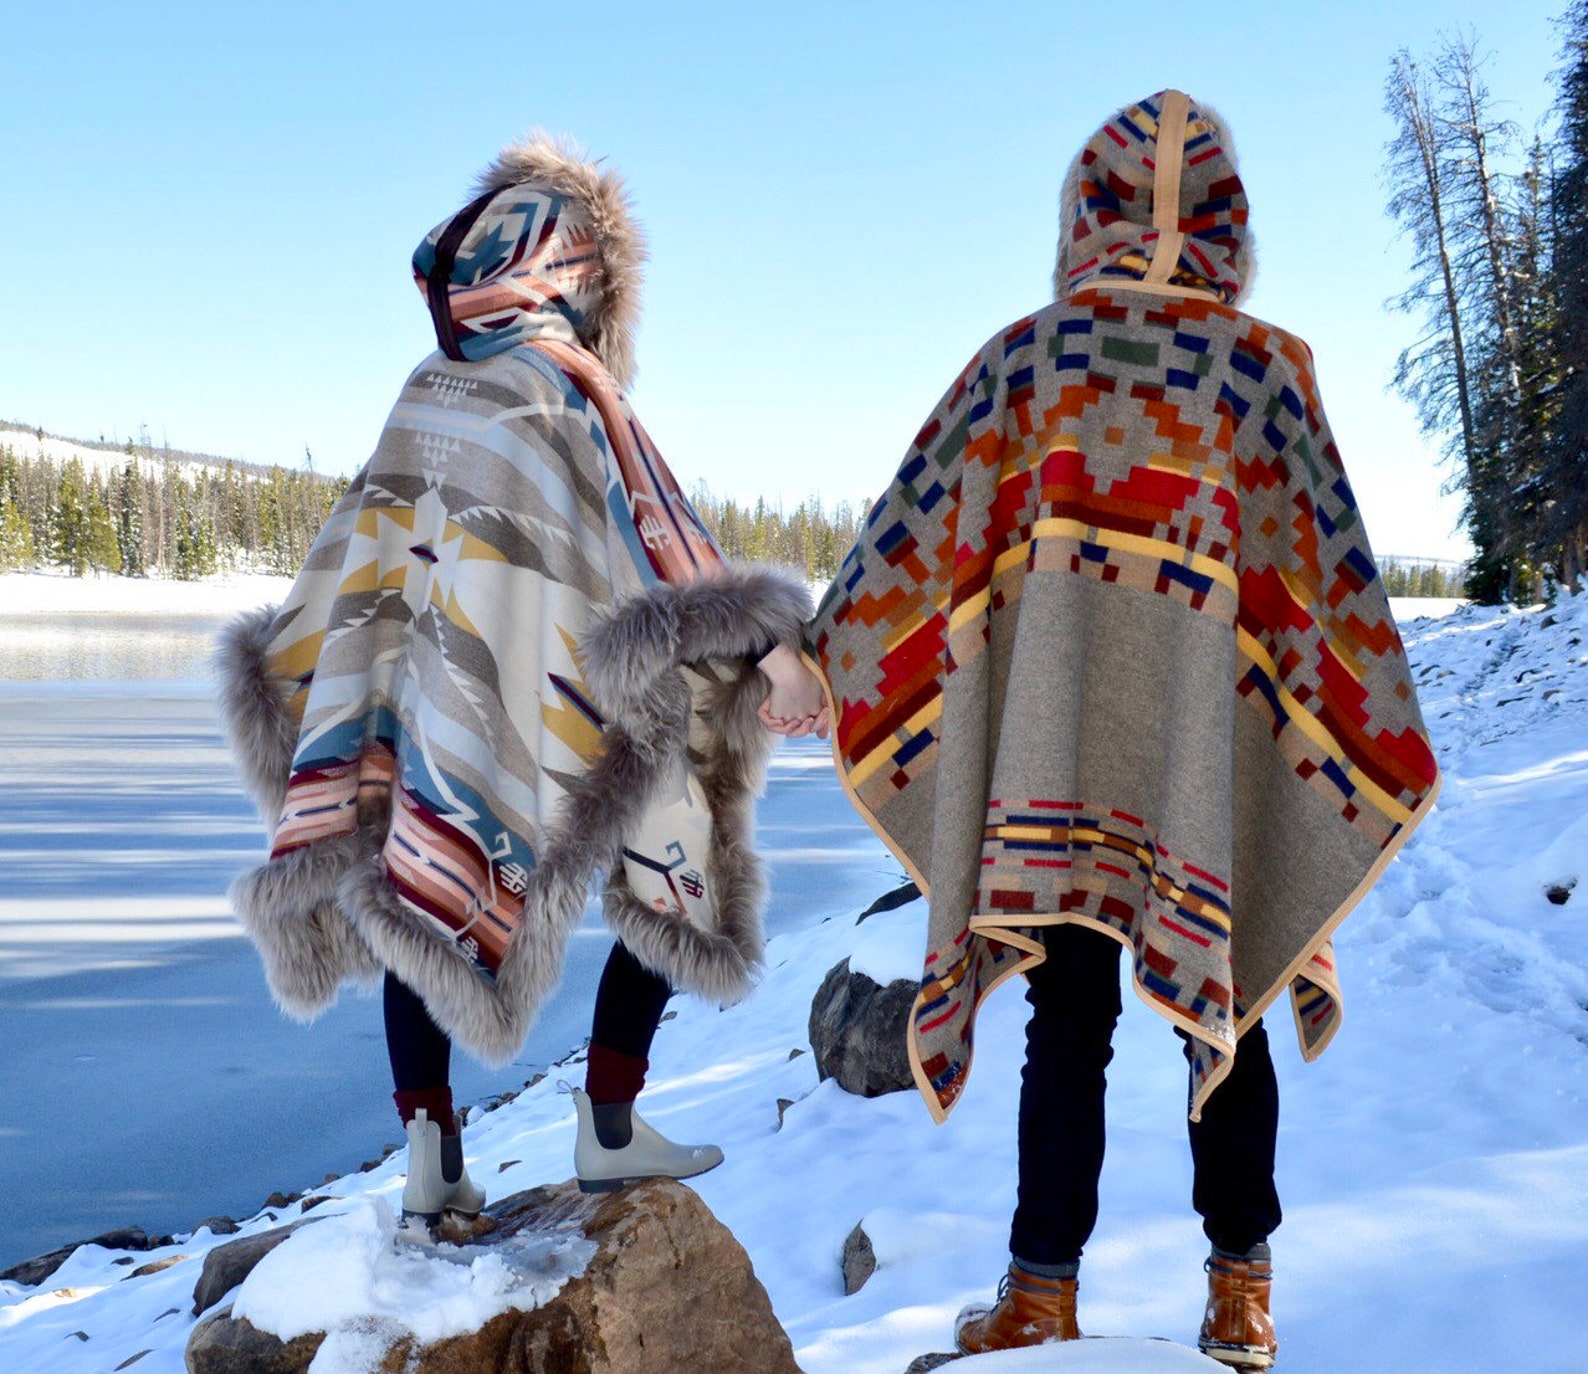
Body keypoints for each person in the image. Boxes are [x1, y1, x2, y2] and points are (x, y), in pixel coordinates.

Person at [804, 90, 1440, 1367]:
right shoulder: (1264, 375)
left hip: (1053, 761)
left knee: (1068, 1018)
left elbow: (905, 557)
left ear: (1080, 214)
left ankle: (1040, 1294)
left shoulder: (1025, 363)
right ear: (1226, 223)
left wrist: (814, 651)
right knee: (1229, 1010)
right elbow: (1329, 604)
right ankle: (1240, 1296)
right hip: (1198, 763)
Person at [217, 133, 826, 1223]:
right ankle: (608, 1119)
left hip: (432, 688)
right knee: (668, 835)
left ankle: (428, 1143)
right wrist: (770, 644)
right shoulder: (569, 387)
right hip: (554, 686)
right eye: (596, 277)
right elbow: (660, 546)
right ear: (575, 271)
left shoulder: (431, 384)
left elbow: (368, 545)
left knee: (417, 852)